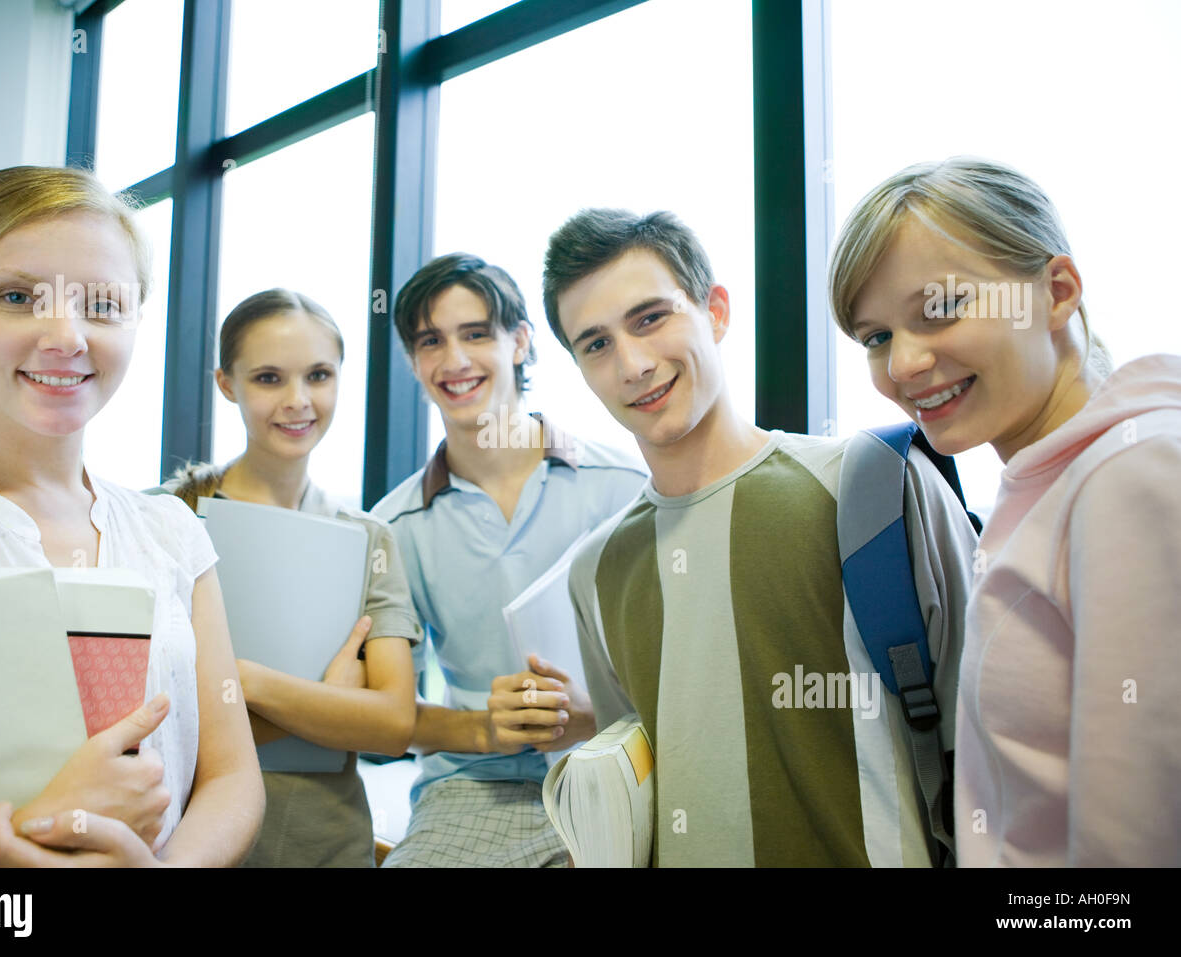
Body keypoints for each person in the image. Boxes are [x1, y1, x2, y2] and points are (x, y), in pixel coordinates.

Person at [541, 208, 979, 866]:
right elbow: (630, 777)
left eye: (650, 318)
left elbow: (988, 737)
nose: (631, 364)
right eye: (596, 344)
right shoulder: (597, 571)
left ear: (716, 312)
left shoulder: (874, 486)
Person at [0, 165, 264, 866]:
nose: (66, 336)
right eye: (18, 296)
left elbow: (233, 776)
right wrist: (20, 834)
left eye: (102, 304)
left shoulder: (173, 533)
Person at [828, 157, 1181, 866]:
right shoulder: (1049, 487)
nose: (902, 365)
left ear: (1055, 292)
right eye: (877, 337)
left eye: (941, 309)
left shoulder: (1129, 477)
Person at [370, 252, 647, 867]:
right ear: (414, 362)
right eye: (430, 341)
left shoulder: (625, 484)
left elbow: (686, 668)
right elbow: (391, 715)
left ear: (520, 342)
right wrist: (482, 729)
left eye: (476, 334)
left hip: (625, 765)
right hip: (475, 788)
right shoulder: (390, 528)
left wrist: (600, 712)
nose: (455, 360)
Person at [158, 288, 420, 867]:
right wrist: (326, 702)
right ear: (227, 383)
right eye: (270, 378)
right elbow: (156, 732)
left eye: (319, 375)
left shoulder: (368, 539)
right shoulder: (165, 521)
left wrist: (242, 681)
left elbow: (394, 725)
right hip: (189, 846)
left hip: (327, 848)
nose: (299, 401)